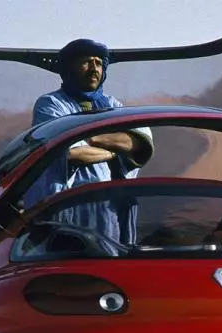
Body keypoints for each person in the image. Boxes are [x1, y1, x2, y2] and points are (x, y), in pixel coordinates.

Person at [23, 38, 154, 231]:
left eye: (99, 63)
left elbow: (140, 145)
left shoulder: (113, 105)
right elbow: (72, 153)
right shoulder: (51, 104)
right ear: (68, 68)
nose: (94, 69)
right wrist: (115, 152)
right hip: (65, 206)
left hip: (110, 209)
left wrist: (92, 139)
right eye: (86, 62)